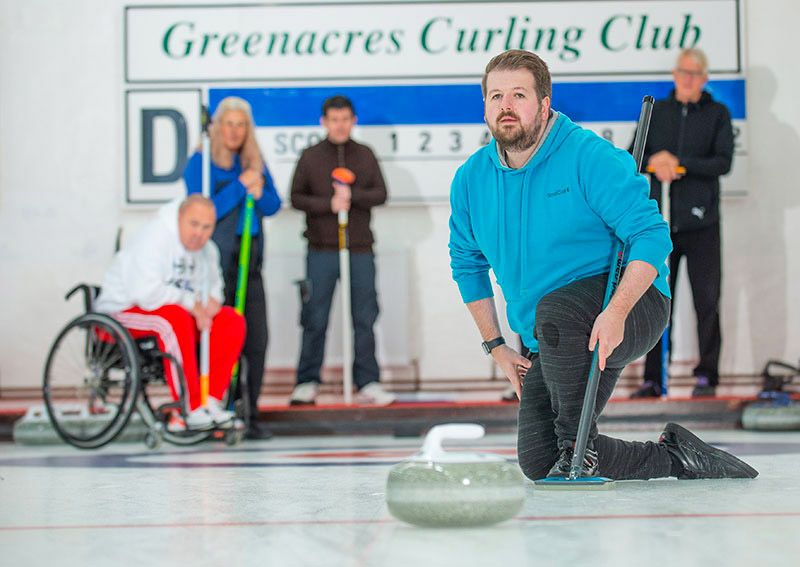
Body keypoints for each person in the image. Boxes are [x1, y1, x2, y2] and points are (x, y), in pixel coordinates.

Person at [448, 49, 756, 481]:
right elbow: (466, 263)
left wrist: (617, 312)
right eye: (496, 96)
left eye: (519, 94)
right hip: (551, 332)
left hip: (632, 303)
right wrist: (496, 345)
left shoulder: (589, 157)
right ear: (484, 105)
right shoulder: (470, 179)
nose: (506, 106)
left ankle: (579, 448)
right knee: (539, 461)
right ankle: (675, 458)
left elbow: (651, 236)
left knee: (556, 320)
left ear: (544, 104)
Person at [630, 48, 734, 399]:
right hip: (661, 224)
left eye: (694, 73)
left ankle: (707, 375)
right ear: (674, 75)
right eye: (681, 72)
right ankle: (654, 378)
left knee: (707, 299)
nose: (686, 79)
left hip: (703, 224)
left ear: (704, 79)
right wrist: (654, 162)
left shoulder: (718, 113)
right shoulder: (658, 112)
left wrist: (681, 164)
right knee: (657, 300)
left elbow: (722, 162)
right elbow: (634, 157)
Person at [95, 195, 244, 432]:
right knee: (174, 319)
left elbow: (215, 287)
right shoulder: (153, 238)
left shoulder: (208, 250)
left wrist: (213, 301)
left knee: (230, 321)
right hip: (121, 310)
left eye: (207, 227)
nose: (199, 234)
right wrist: (191, 304)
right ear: (179, 218)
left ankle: (210, 401)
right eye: (193, 224)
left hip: (174, 311)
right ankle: (187, 406)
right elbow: (145, 294)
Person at [183, 96, 281, 439]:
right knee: (218, 340)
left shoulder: (253, 161)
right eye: (229, 123)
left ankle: (249, 414)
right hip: (215, 266)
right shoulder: (201, 163)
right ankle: (212, 410)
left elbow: (273, 205)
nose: (235, 131)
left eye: (242, 124)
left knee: (257, 339)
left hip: (249, 262)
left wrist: (259, 187)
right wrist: (240, 188)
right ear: (217, 127)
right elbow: (201, 210)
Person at [288, 95, 395, 406]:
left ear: (353, 120)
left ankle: (368, 381)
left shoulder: (365, 155)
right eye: (334, 120)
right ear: (324, 122)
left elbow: (381, 193)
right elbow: (295, 197)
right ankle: (307, 381)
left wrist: (353, 197)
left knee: (364, 316)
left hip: (359, 249)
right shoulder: (310, 157)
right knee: (315, 316)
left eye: (345, 119)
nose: (340, 125)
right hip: (321, 250)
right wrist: (328, 204)